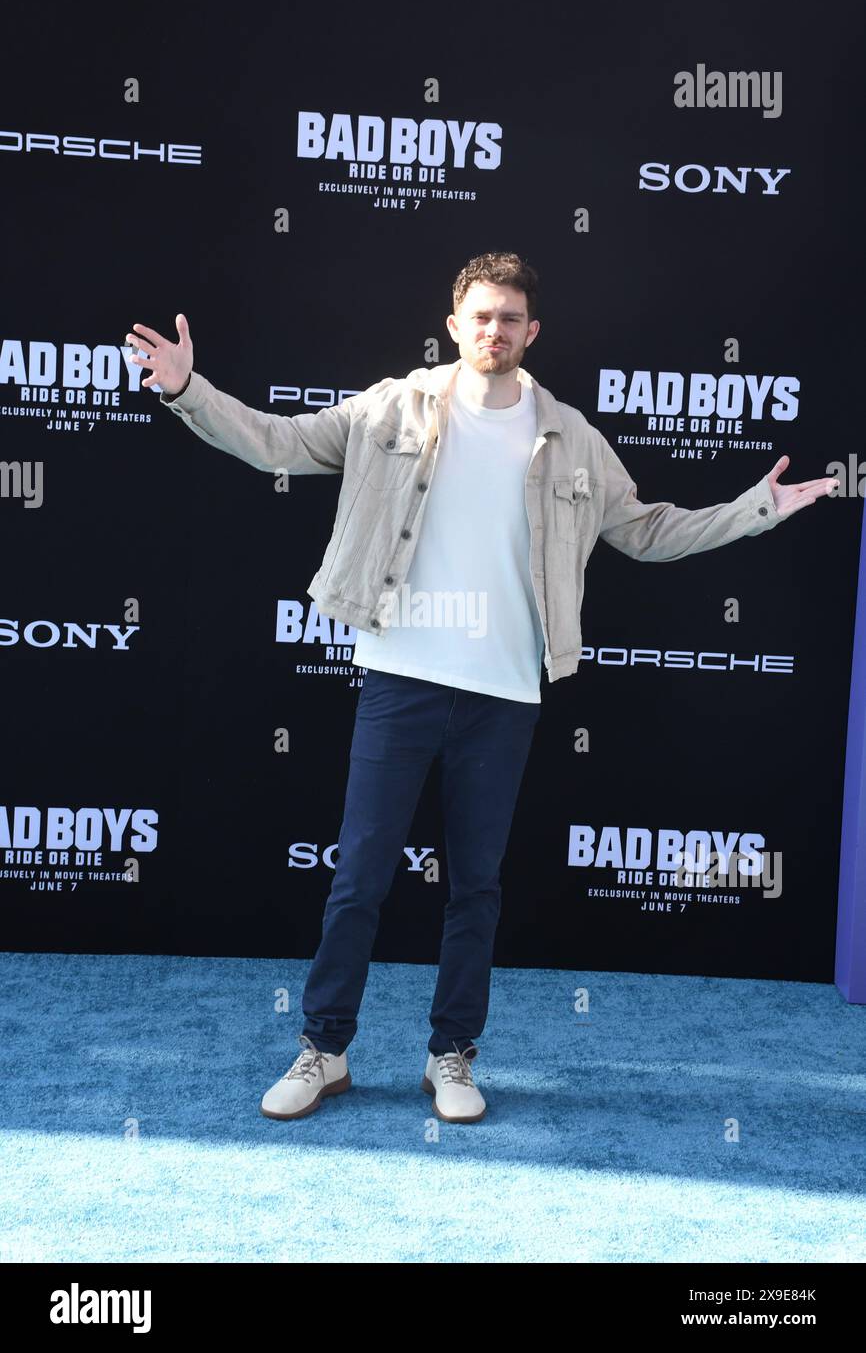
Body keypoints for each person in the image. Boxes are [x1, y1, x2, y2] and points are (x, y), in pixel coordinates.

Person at [127, 251, 833, 1125]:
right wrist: (187, 389)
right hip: (401, 679)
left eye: (510, 319)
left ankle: (451, 1056)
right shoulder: (394, 405)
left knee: (477, 886)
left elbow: (649, 531)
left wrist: (754, 508)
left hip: (503, 695)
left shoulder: (570, 434)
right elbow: (276, 441)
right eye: (481, 316)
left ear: (530, 332)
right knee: (359, 879)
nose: (494, 331)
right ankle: (324, 1050)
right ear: (454, 323)